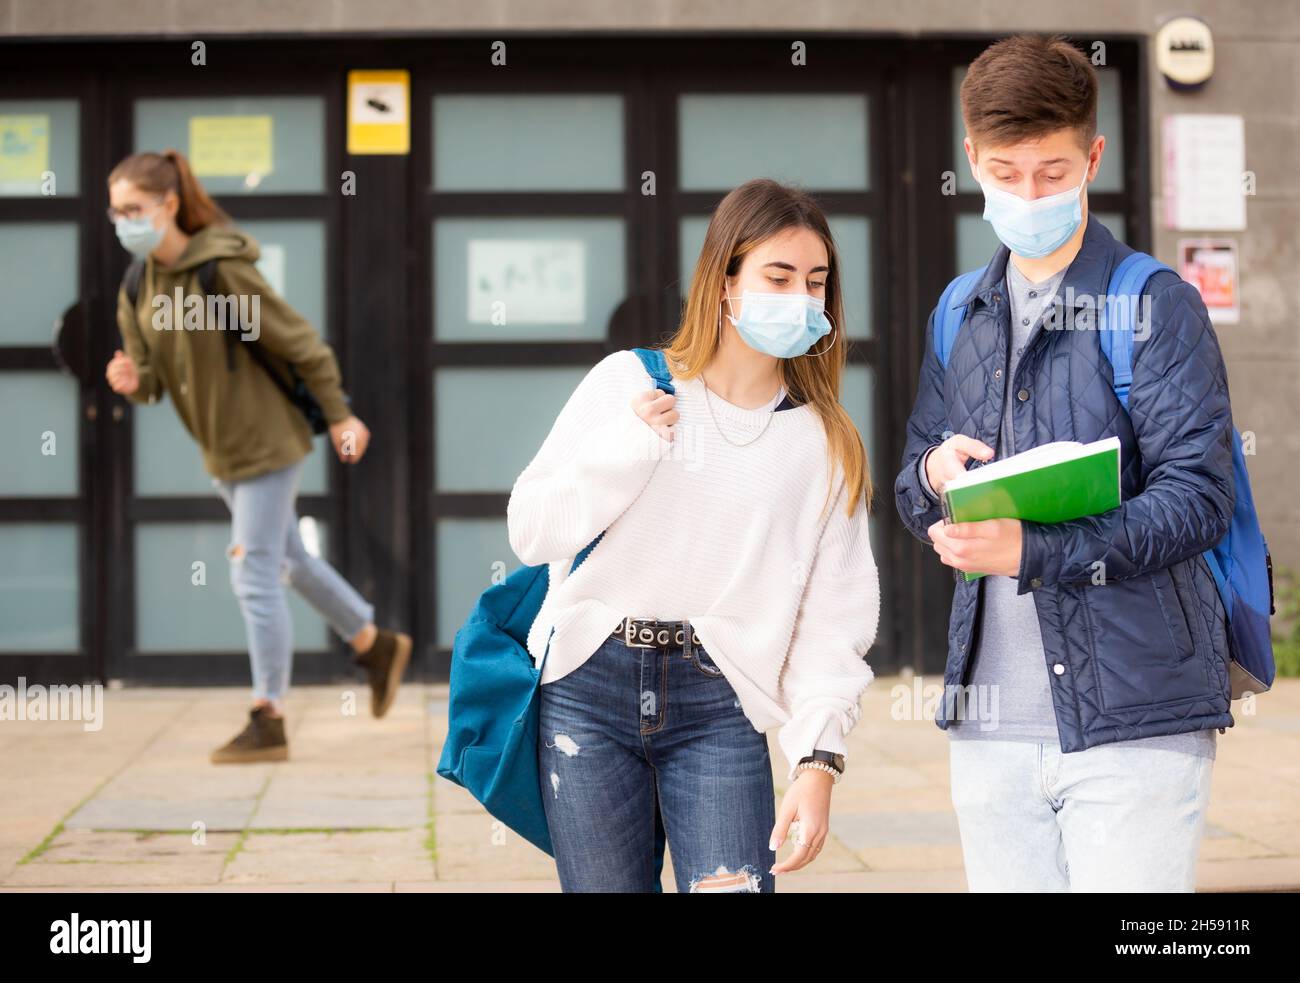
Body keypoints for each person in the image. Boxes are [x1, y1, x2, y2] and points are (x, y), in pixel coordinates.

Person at [894, 34, 1234, 891]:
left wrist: (1035, 550)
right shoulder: (957, 313)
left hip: (1134, 723)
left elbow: (1197, 499)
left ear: (1093, 155)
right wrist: (936, 476)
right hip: (988, 724)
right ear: (971, 157)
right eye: (1006, 173)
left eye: (1051, 172)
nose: (1029, 193)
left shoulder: (1154, 302)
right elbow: (909, 485)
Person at [507, 178, 880, 892]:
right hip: (588, 687)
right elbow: (531, 528)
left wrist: (818, 758)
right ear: (725, 282)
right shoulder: (629, 383)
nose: (800, 298)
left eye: (815, 281)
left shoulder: (824, 442)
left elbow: (831, 622)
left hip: (721, 700)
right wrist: (627, 450)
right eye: (777, 276)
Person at [104, 148, 411, 764]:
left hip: (267, 443)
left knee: (253, 571)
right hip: (221, 451)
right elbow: (155, 380)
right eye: (115, 212)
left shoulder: (222, 272)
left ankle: (268, 715)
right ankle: (375, 644)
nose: (123, 222)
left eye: (134, 209)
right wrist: (133, 381)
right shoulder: (139, 285)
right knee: (290, 560)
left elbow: (304, 347)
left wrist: (342, 415)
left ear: (168, 206)